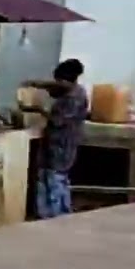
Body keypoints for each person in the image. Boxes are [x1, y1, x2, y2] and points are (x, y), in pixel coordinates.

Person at [29, 58, 88, 219]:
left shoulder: (72, 99)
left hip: (61, 144)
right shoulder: (76, 90)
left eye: (60, 80)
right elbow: (55, 88)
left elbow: (57, 120)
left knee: (53, 180)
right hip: (57, 143)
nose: (57, 83)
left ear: (68, 80)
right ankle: (57, 215)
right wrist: (37, 84)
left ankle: (54, 217)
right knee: (50, 178)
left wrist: (38, 109)